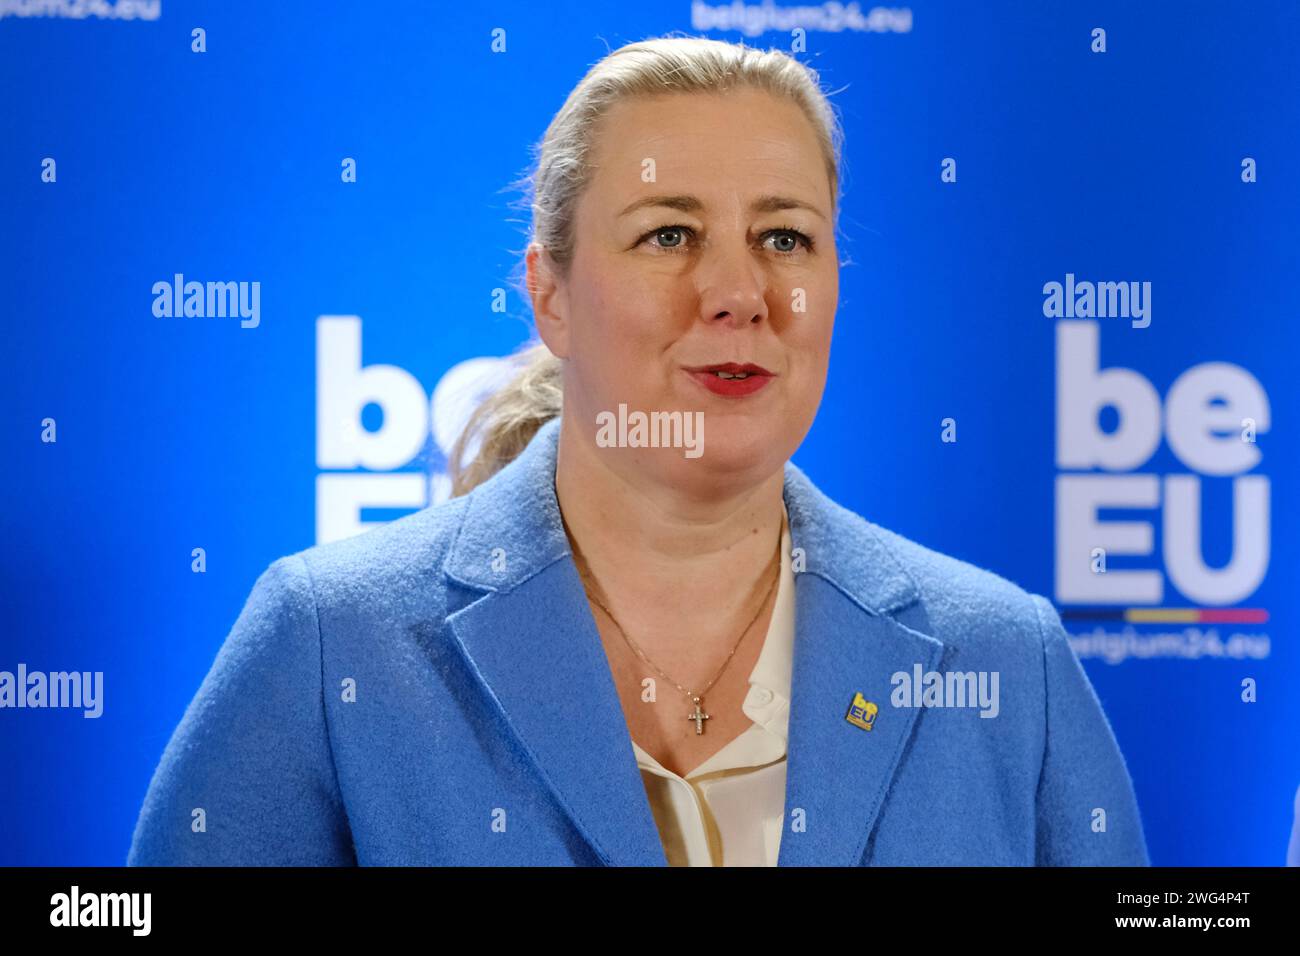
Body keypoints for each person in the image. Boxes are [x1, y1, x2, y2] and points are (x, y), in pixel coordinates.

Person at [128, 35, 1149, 867]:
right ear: (549, 294)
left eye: (784, 237)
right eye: (669, 234)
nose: (738, 292)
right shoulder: (330, 644)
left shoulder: (1008, 659)